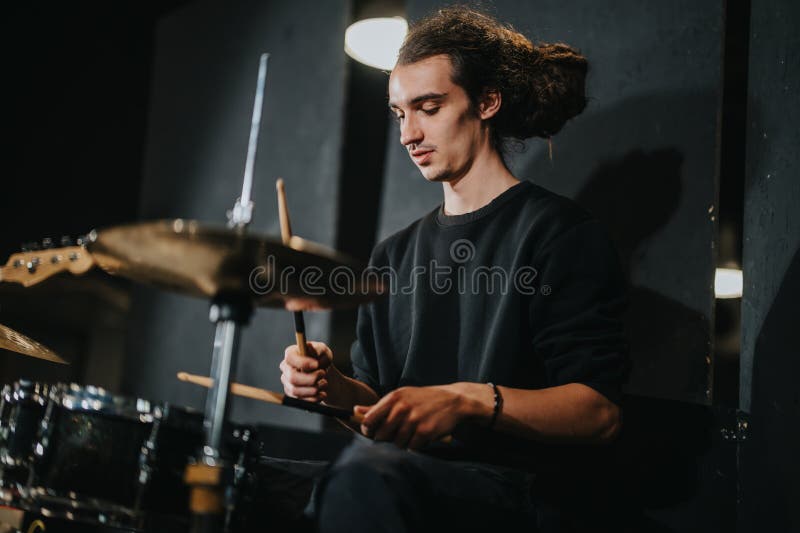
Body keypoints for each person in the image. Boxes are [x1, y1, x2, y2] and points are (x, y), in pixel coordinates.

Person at [279, 6, 629, 532]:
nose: (408, 134)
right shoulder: (393, 256)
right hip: (399, 476)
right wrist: (332, 387)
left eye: (429, 107)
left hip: (514, 495)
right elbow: (374, 409)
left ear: (487, 101)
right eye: (400, 114)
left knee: (363, 480)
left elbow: (599, 414)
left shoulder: (558, 233)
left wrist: (469, 400)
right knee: (257, 478)